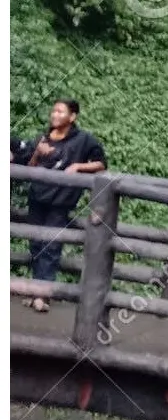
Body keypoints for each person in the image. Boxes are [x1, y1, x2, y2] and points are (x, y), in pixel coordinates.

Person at [21, 99, 107, 312]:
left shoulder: (83, 140)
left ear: (72, 116)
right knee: (35, 244)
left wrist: (78, 166)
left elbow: (101, 164)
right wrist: (37, 153)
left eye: (60, 111)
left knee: (51, 246)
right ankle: (35, 292)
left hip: (60, 201)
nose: (54, 114)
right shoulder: (43, 137)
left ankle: (43, 295)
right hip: (37, 197)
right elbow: (30, 166)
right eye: (54, 111)